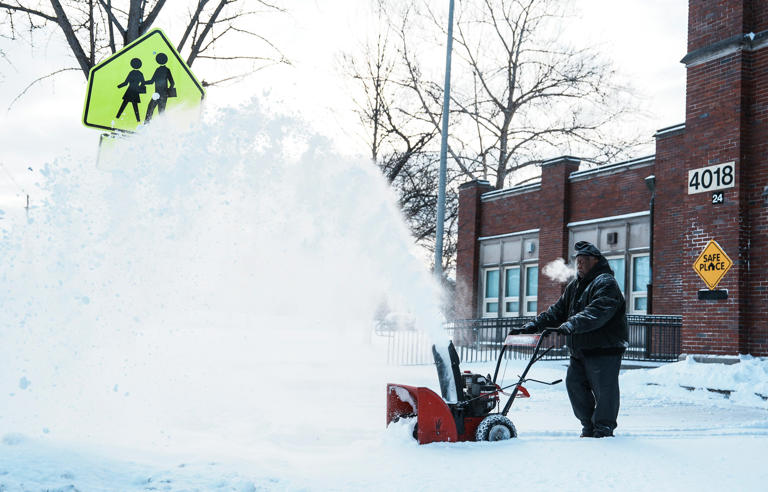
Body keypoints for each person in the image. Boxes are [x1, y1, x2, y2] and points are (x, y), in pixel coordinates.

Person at [511, 241, 628, 438]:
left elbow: (597, 312)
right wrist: (531, 326)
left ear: (596, 261)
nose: (579, 265)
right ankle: (588, 427)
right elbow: (556, 312)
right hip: (580, 349)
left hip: (604, 349)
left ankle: (603, 429)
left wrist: (570, 325)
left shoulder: (605, 283)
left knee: (604, 391)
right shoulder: (575, 286)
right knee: (574, 386)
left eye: (584, 261)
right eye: (578, 261)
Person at [144, 52, 175, 122]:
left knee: (150, 109)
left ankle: (146, 124)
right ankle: (164, 127)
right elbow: (172, 83)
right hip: (163, 95)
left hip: (157, 94)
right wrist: (167, 91)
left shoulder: (158, 70)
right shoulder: (167, 70)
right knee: (161, 112)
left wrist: (143, 82)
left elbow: (151, 81)